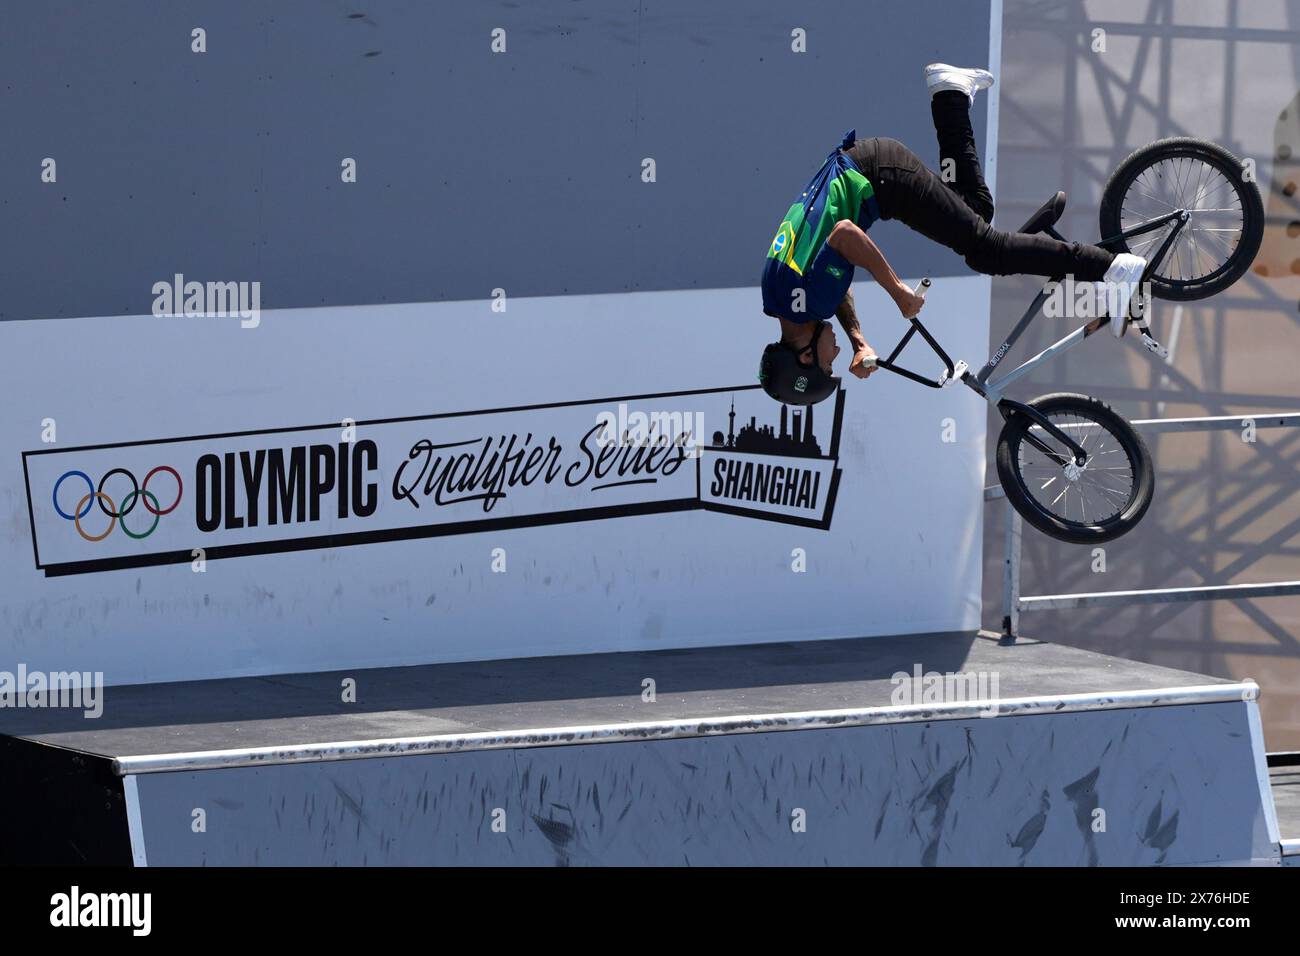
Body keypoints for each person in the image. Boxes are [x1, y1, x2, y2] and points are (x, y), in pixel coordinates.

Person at [758, 63, 1146, 405]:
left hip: (883, 178)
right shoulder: (781, 299)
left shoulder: (807, 303)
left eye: (829, 363)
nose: (835, 354)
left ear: (805, 356)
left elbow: (845, 233)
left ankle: (1113, 268)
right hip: (873, 170)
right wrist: (860, 340)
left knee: (987, 252)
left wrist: (899, 294)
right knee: (975, 212)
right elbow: (833, 269)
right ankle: (950, 96)